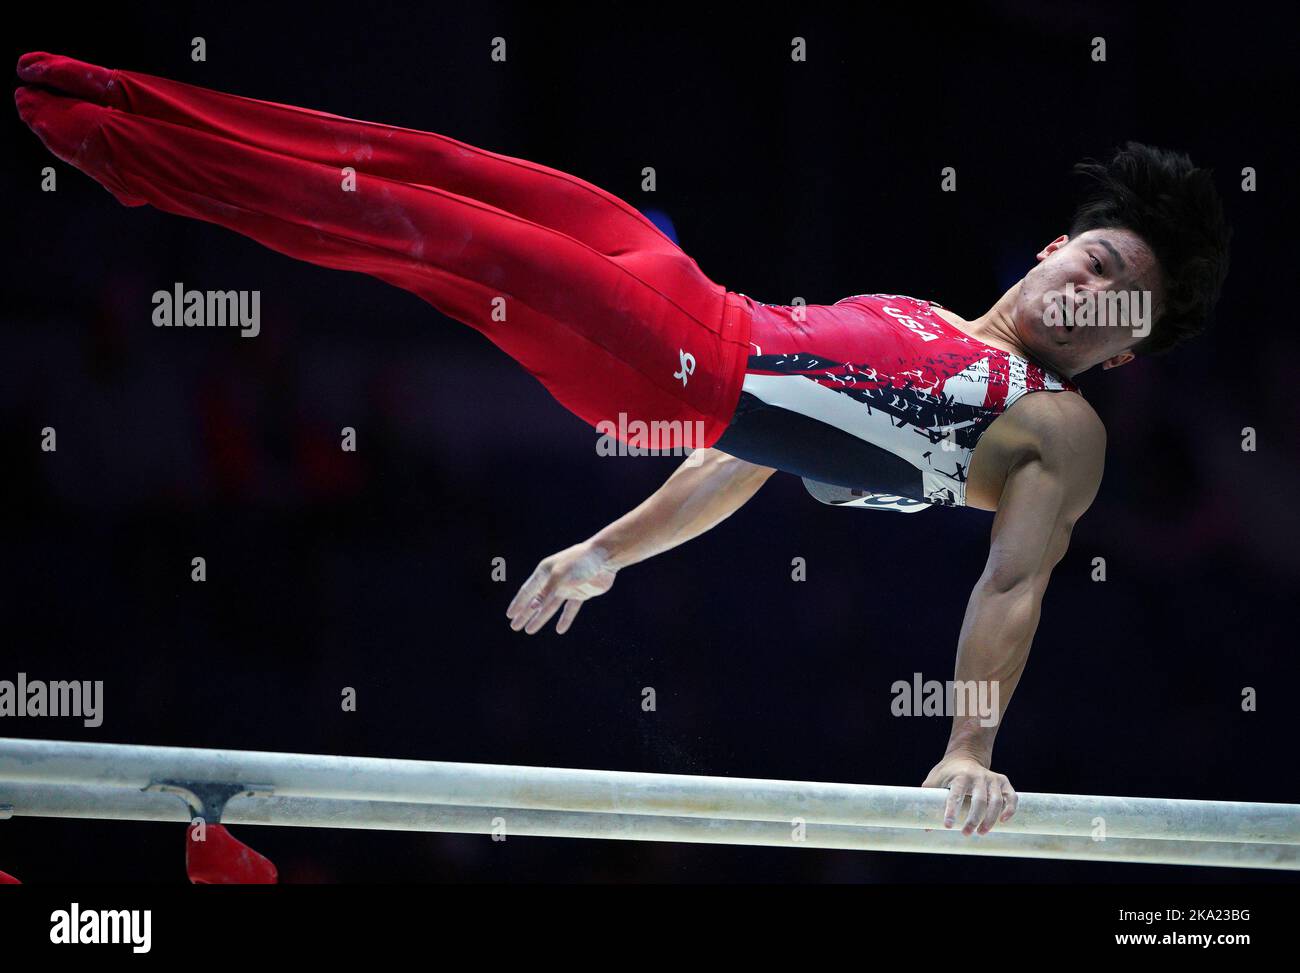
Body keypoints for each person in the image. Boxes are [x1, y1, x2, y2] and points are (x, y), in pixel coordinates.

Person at [15, 52, 1231, 835]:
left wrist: (968, 746)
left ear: (1121, 354)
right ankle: (127, 95)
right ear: (1047, 251)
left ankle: (131, 163)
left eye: (1122, 301)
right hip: (687, 289)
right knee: (438, 167)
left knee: (420, 230)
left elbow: (1012, 579)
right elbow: (741, 462)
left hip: (677, 358)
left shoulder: (1055, 426)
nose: (1092, 289)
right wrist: (609, 551)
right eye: (1096, 258)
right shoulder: (919, 317)